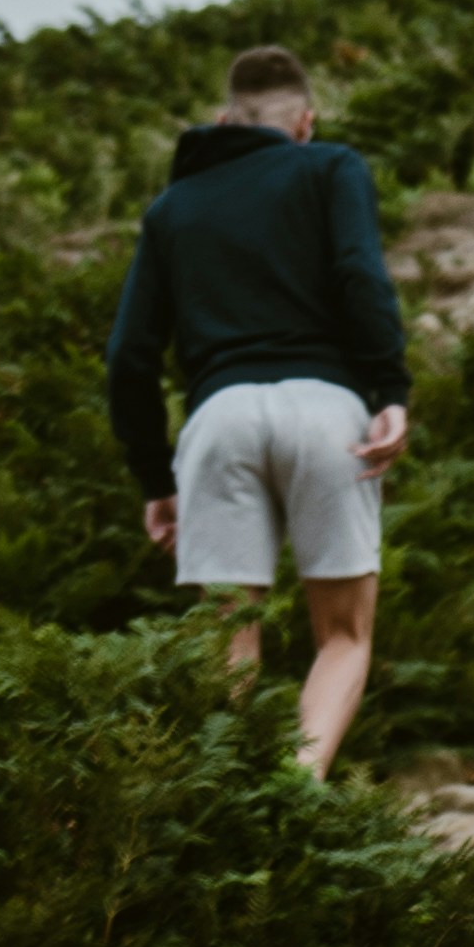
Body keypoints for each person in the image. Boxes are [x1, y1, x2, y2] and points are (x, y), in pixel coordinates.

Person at [102, 43, 412, 773]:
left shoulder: (172, 208)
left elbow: (129, 358)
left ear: (223, 119)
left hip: (218, 423)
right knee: (343, 636)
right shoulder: (332, 166)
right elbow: (359, 275)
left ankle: (232, 803)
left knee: (229, 640)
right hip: (326, 413)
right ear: (305, 121)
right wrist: (389, 391)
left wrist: (155, 478)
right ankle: (296, 791)